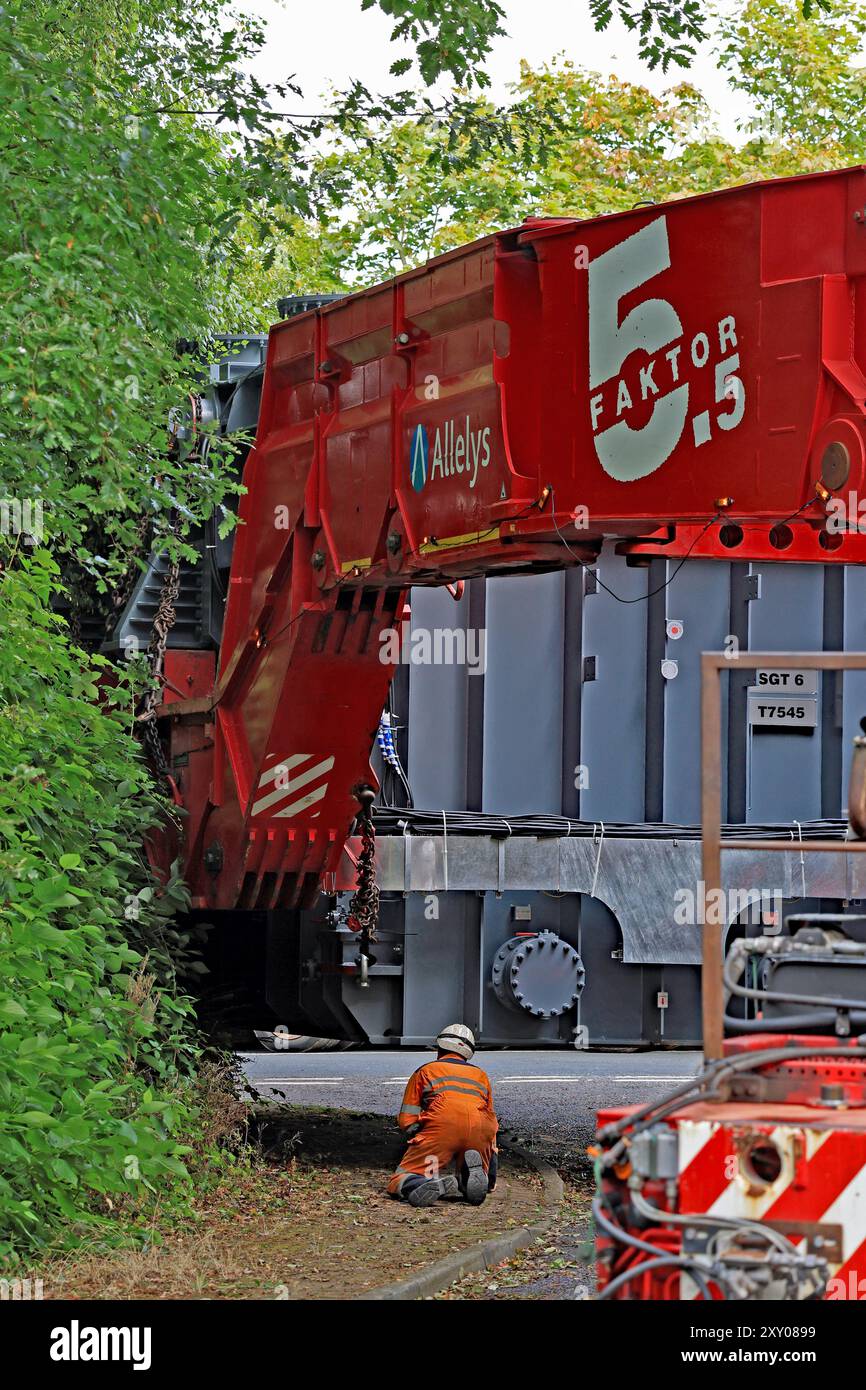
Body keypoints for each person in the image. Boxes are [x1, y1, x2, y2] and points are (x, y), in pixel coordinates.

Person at [387, 1023, 499, 1208]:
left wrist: (422, 1137)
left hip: (442, 1128)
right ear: (468, 1052)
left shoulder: (425, 1071)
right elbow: (492, 1124)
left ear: (439, 1048)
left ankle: (421, 1182)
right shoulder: (481, 1076)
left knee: (400, 1178)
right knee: (479, 1147)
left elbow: (407, 1120)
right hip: (480, 1132)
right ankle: (474, 1181)